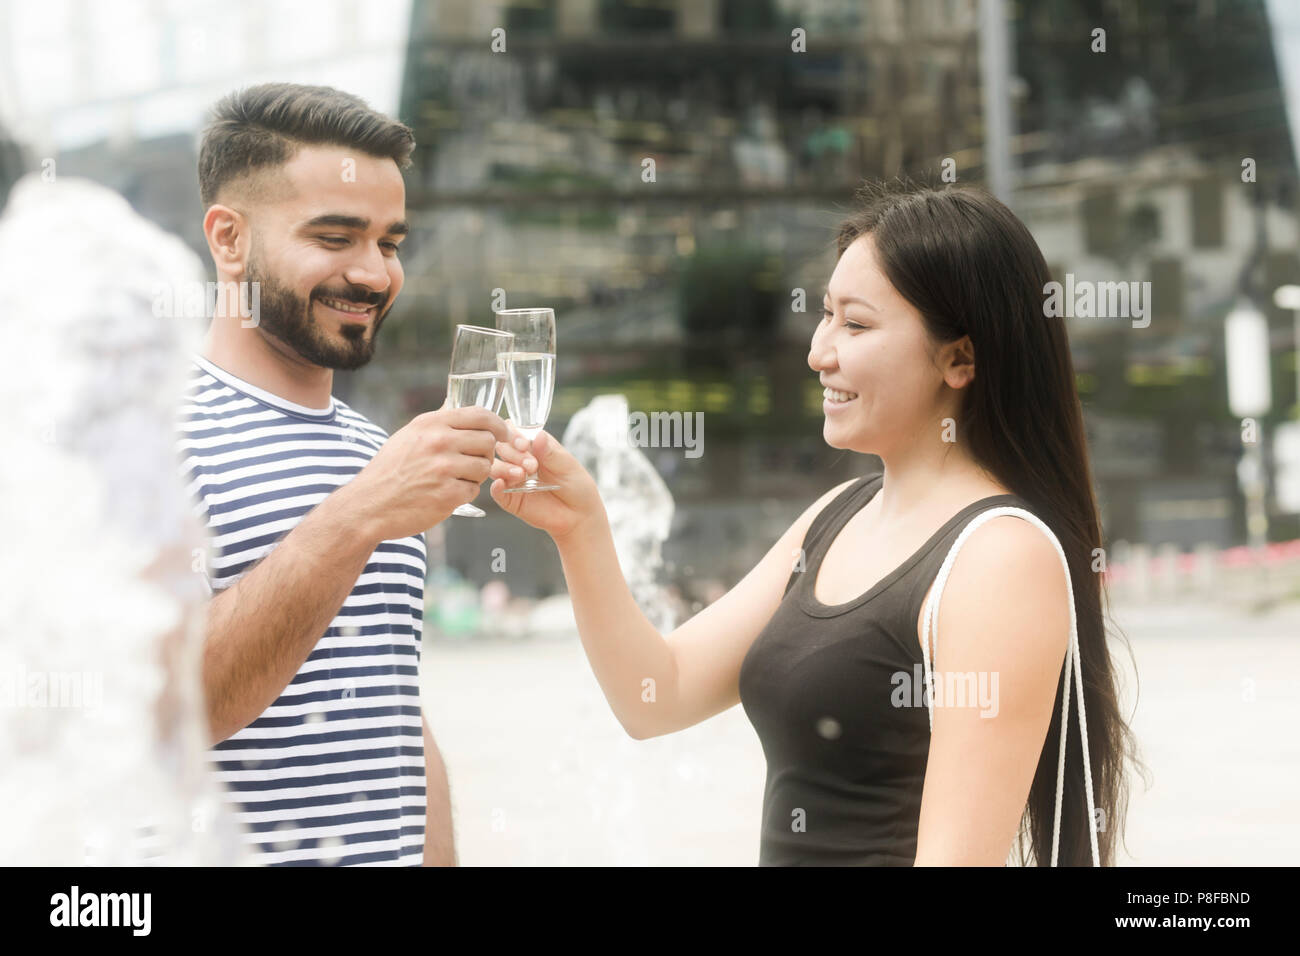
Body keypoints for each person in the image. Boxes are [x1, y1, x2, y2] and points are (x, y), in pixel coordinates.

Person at [489, 181, 1142, 866]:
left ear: (961, 358)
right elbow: (656, 695)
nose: (818, 352)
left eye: (855, 325)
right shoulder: (835, 518)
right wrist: (580, 527)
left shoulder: (999, 557)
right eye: (825, 316)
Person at [176, 83, 522, 866]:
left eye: (390, 243)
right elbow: (164, 714)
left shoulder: (378, 450)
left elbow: (393, 713)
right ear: (229, 239)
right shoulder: (145, 440)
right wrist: (359, 515)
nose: (373, 274)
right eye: (335, 238)